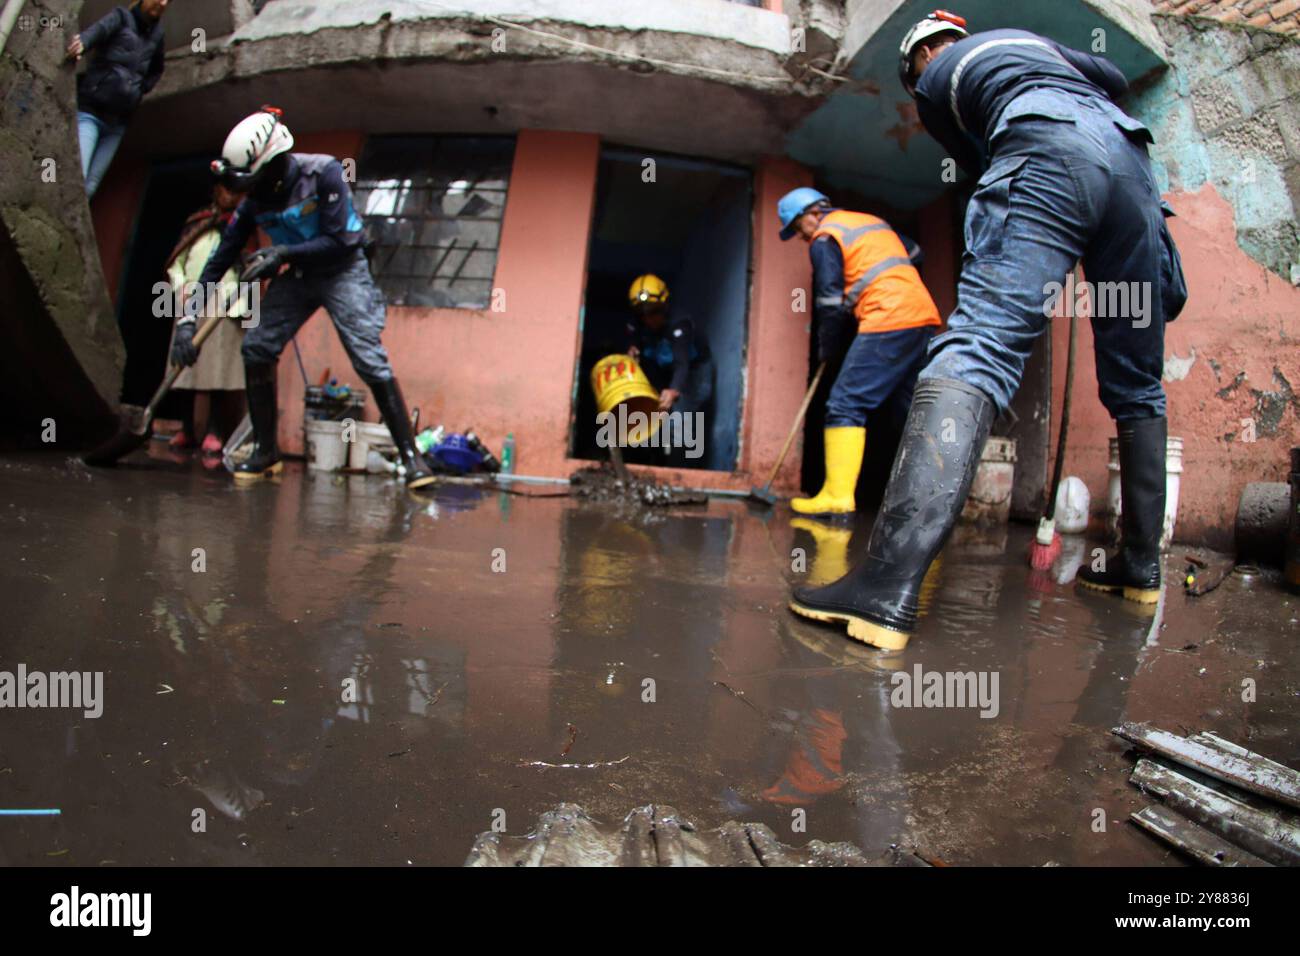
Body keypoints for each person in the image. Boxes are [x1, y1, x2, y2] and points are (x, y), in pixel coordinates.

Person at [789, 10, 1187, 650]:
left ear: (920, 59)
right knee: (1138, 383)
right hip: (1133, 172)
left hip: (1047, 149)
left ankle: (884, 592)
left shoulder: (937, 81)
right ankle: (1139, 567)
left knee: (979, 346)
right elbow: (1111, 74)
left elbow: (980, 160)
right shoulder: (1032, 45)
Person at [172, 106, 435, 489]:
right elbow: (218, 262)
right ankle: (265, 451)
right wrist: (186, 321)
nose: (249, 193)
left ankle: (413, 459)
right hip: (297, 275)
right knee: (257, 348)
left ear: (275, 162)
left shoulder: (324, 172)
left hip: (342, 268)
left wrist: (282, 254)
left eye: (253, 181)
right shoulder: (253, 203)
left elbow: (340, 241)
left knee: (367, 356)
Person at [776, 188, 940, 517]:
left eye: (796, 229)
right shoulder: (870, 223)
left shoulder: (824, 238)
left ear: (810, 215)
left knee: (845, 403)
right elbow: (915, 252)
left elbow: (828, 299)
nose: (800, 238)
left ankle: (837, 497)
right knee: (910, 412)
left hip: (889, 317)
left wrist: (828, 347)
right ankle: (930, 502)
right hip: (921, 316)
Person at [163, 183, 251, 456]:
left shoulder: (244, 227)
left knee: (218, 370)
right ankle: (187, 430)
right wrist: (180, 288)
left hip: (226, 302)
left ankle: (214, 431)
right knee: (185, 367)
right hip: (190, 299)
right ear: (215, 191)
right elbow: (175, 262)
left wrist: (242, 300)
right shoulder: (197, 223)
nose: (231, 196)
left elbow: (249, 268)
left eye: (237, 192)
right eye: (226, 190)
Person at [66, 0, 169, 199]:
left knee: (90, 187)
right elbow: (98, 31)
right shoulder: (121, 17)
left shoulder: (157, 35)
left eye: (168, 1)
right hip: (91, 112)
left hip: (117, 124)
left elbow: (157, 70)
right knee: (78, 177)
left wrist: (140, 90)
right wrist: (83, 43)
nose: (163, 3)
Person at [624, 274, 714, 459]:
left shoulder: (679, 324)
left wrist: (674, 390)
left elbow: (682, 363)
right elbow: (634, 343)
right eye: (643, 313)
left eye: (654, 311)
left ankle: (678, 470)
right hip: (666, 367)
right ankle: (653, 457)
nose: (649, 319)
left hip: (693, 370)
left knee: (680, 419)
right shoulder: (637, 323)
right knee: (653, 414)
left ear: (665, 306)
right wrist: (632, 350)